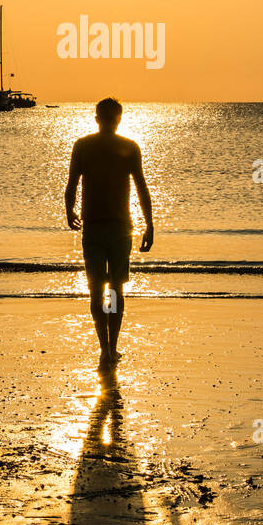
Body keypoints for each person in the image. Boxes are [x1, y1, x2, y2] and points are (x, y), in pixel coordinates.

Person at [64, 97, 153, 366]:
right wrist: (149, 224)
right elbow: (142, 188)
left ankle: (105, 348)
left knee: (95, 289)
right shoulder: (129, 147)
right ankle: (111, 348)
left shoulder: (83, 146)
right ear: (119, 119)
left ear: (96, 118)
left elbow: (71, 185)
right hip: (119, 228)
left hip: (94, 227)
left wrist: (70, 212)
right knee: (115, 290)